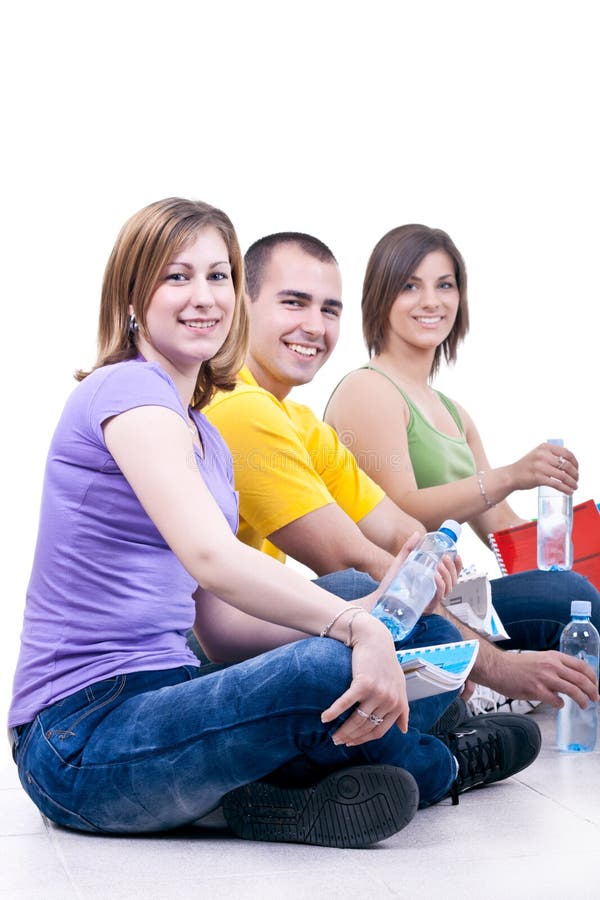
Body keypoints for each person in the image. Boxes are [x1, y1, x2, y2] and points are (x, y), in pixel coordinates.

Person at [8, 199, 534, 852]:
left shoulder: (205, 437)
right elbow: (210, 557)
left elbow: (222, 629)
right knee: (329, 664)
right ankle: (436, 764)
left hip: (170, 700)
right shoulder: (127, 393)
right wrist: (351, 626)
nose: (203, 297)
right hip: (78, 740)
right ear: (133, 297)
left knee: (414, 637)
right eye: (177, 276)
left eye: (218, 275)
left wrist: (372, 610)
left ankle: (261, 798)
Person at [205, 230, 599, 716]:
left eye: (329, 310)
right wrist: (495, 661)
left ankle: (443, 733)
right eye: (294, 303)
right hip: (214, 644)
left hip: (421, 592)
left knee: (561, 594)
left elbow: (406, 530)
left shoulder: (305, 421)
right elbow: (352, 557)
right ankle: (450, 726)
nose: (313, 325)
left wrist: (428, 567)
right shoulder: (318, 398)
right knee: (374, 602)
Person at [324, 223, 600, 710]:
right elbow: (398, 514)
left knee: (575, 588)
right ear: (381, 296)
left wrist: (579, 540)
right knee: (565, 593)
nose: (431, 300)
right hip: (394, 602)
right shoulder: (367, 390)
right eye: (410, 285)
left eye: (444, 285)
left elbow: (503, 529)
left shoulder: (453, 413)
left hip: (456, 599)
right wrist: (512, 474)